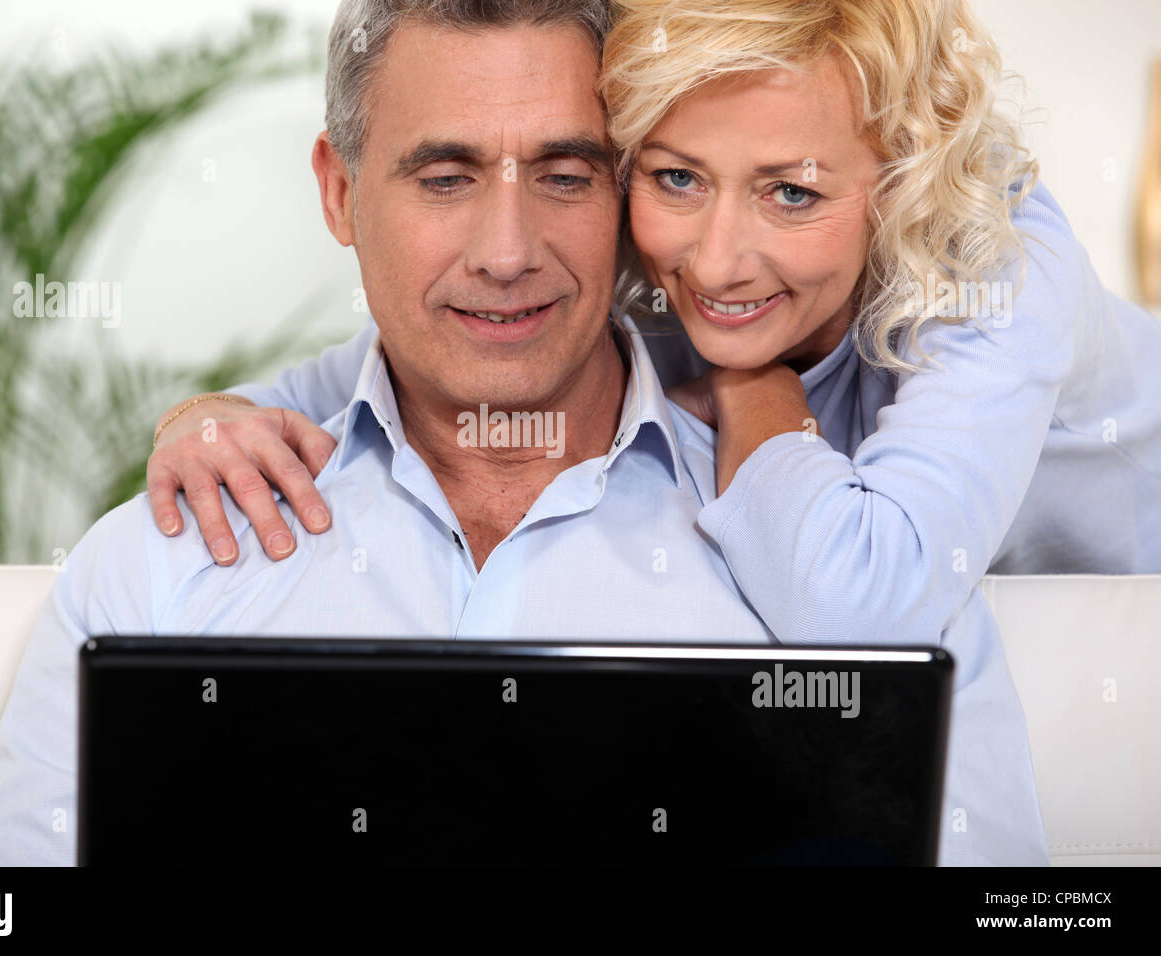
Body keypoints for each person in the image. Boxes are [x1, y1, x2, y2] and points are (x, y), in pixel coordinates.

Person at [0, 0, 1046, 866]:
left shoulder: (863, 576)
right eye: (446, 177)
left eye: (566, 175)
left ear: (628, 193)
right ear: (340, 194)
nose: (508, 249)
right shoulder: (163, 566)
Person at [149, 0, 1161, 659]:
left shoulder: (990, 262)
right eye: (676, 175)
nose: (717, 262)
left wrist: (748, 382)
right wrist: (207, 415)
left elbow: (857, 606)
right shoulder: (642, 246)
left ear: (895, 181)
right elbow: (414, 377)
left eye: (793, 193)